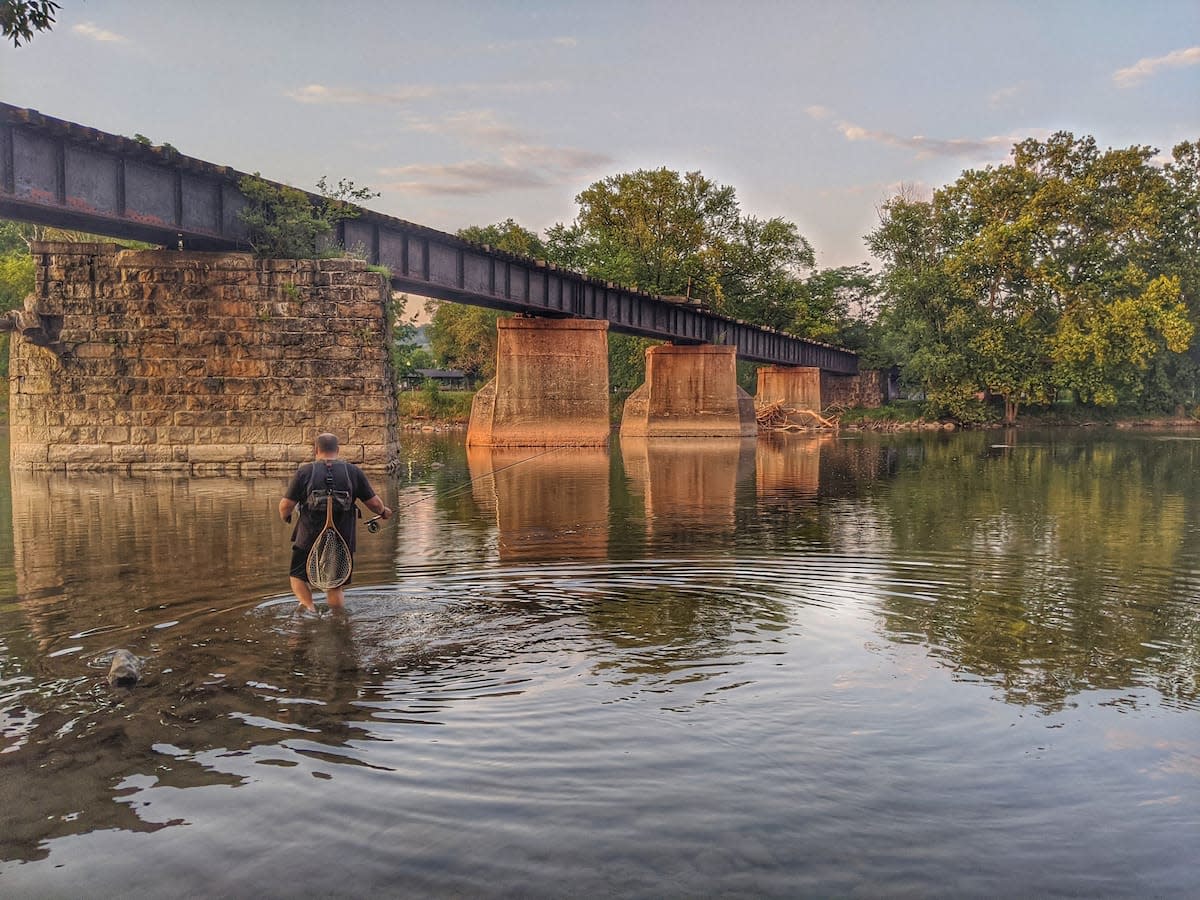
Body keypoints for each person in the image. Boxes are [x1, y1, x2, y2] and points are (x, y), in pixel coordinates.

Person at [278, 433, 392, 611]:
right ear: (337, 450)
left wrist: (286, 517)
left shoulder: (305, 472)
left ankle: (309, 608)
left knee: (297, 575)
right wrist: (384, 512)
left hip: (308, 536)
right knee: (335, 583)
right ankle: (337, 620)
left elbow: (285, 506)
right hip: (341, 538)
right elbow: (375, 504)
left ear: (316, 450)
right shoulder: (352, 471)